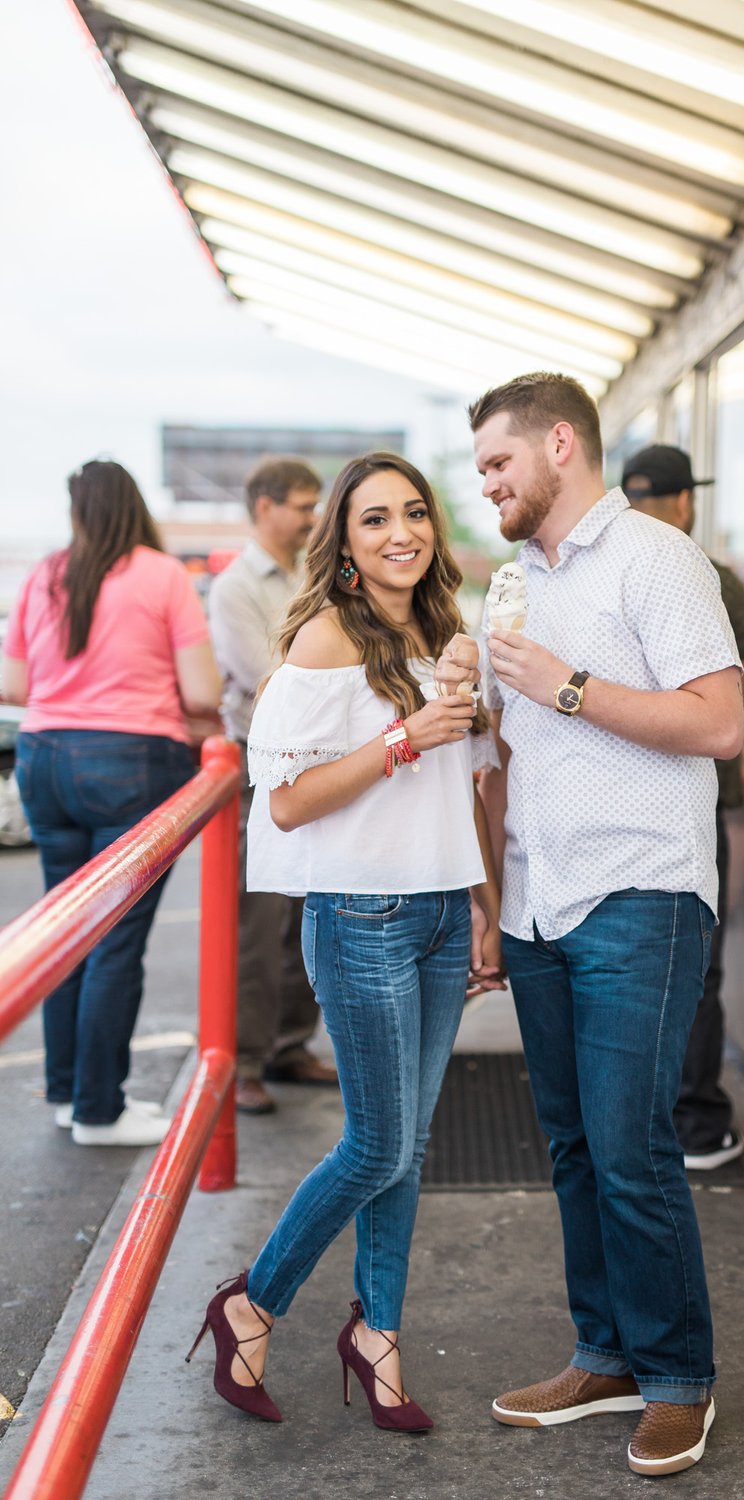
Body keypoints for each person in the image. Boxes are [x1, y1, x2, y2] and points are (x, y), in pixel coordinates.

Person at [187, 453, 503, 1430]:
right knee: (375, 1144)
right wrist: (405, 738)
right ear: (347, 546)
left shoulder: (450, 634)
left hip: (443, 911)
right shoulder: (324, 640)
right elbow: (281, 803)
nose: (401, 531)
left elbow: (474, 786)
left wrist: (484, 903)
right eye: (375, 520)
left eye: (415, 513)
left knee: (407, 1146)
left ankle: (378, 1337)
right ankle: (253, 1302)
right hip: (359, 914)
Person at [470, 374, 743, 1478]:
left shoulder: (657, 560)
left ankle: (678, 1375)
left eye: (497, 462)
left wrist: (566, 684)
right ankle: (607, 1355)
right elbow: (509, 752)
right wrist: (491, 899)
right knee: (576, 1145)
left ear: (560, 445)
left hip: (642, 889)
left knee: (632, 1147)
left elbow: (719, 722)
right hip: (540, 897)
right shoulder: (511, 577)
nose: (484, 481)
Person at [1, 459, 221, 1147]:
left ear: (77, 511)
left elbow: (12, 684)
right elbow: (204, 694)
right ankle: (101, 1108)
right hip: (130, 761)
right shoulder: (161, 575)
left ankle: (69, 1094)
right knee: (114, 941)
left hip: (44, 761)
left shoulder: (44, 574)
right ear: (134, 506)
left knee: (65, 933)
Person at [621, 444, 744, 1169]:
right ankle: (696, 1123)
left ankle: (635, 1115)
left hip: (616, 802)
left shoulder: (604, 570)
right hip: (691, 805)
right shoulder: (703, 573)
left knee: (630, 966)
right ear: (686, 502)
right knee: (695, 966)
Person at [209, 455, 338, 1115]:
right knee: (258, 922)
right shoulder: (235, 587)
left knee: (301, 914)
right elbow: (270, 686)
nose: (313, 518)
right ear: (265, 507)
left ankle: (289, 1044)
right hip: (262, 765)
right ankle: (248, 1062)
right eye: (303, 505)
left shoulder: (304, 574)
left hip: (314, 760)